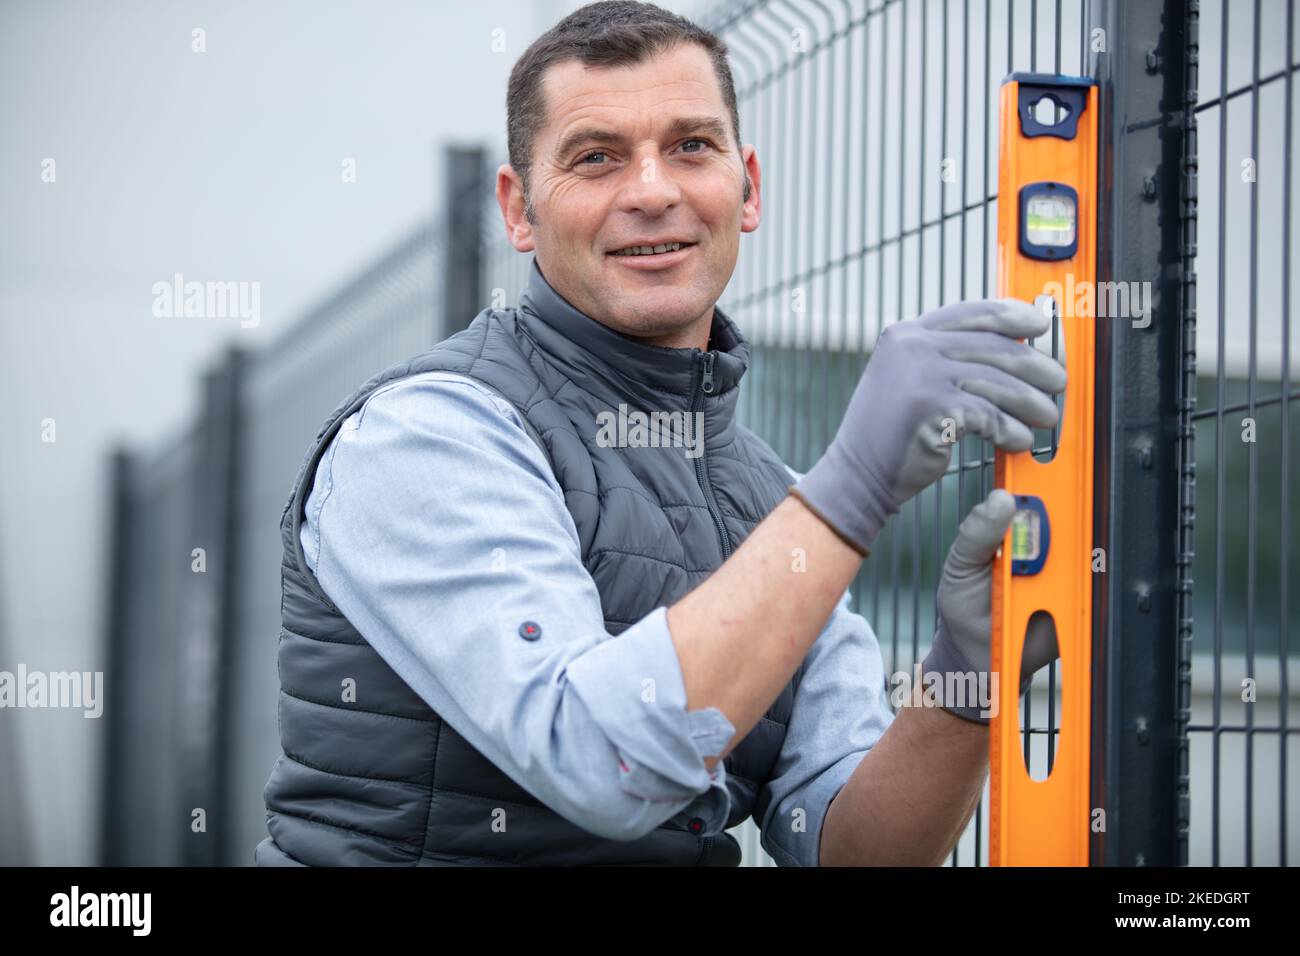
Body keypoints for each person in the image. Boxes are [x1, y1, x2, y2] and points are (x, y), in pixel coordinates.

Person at [255, 0, 1065, 867]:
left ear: (747, 187)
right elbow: (592, 758)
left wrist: (965, 681)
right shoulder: (427, 437)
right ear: (519, 209)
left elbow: (852, 851)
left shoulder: (775, 504)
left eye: (691, 146)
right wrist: (855, 488)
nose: (653, 191)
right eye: (596, 157)